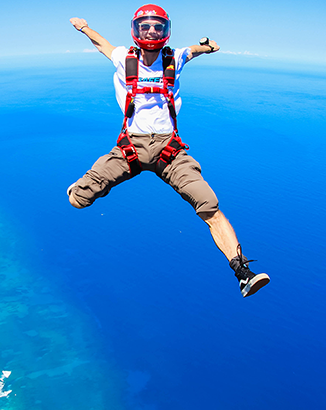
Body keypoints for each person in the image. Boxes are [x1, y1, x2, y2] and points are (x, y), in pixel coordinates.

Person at [67, 4, 270, 297]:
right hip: (131, 147)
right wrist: (83, 26)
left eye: (157, 27)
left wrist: (208, 47)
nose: (151, 31)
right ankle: (80, 186)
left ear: (166, 31)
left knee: (209, 206)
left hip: (169, 150)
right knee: (78, 200)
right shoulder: (124, 57)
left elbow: (192, 50)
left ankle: (242, 272)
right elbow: (102, 44)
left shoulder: (173, 57)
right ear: (135, 31)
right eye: (145, 27)